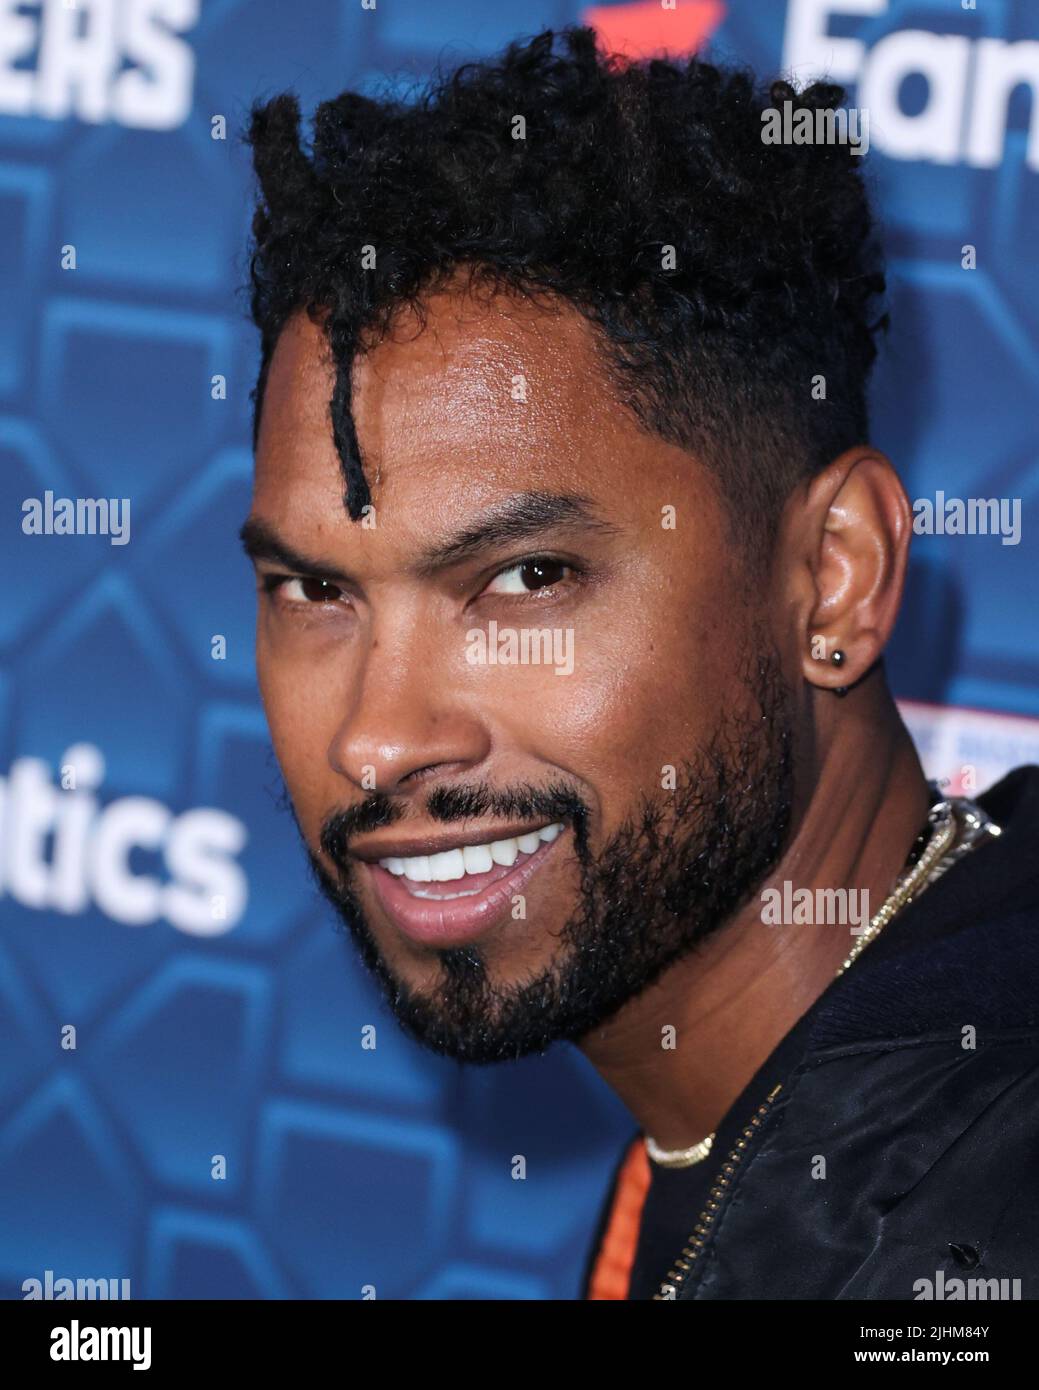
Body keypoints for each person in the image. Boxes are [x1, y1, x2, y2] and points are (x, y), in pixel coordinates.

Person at [239, 26, 1039, 1300]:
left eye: (523, 578)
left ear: (833, 575)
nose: (375, 742)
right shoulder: (782, 1109)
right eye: (315, 591)